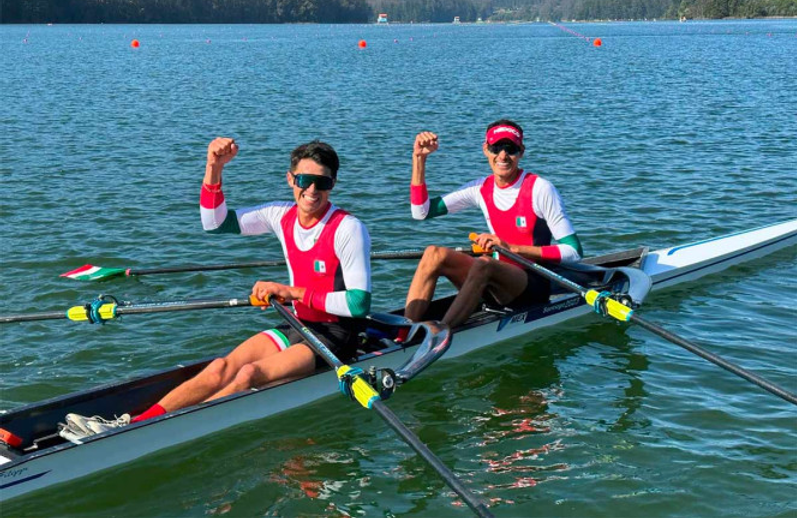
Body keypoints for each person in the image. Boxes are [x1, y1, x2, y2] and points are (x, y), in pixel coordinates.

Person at [60, 137, 372, 440]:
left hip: (336, 336)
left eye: (323, 183)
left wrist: (292, 292)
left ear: (334, 184)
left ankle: (165, 432)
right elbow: (215, 223)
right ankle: (136, 423)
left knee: (249, 374)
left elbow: (358, 304)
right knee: (219, 367)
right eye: (305, 180)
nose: (313, 190)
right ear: (291, 179)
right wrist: (214, 167)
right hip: (297, 323)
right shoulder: (280, 216)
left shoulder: (348, 228)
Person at [405, 119, 583, 328]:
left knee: (484, 263)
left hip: (532, 283)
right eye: (496, 147)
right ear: (485, 150)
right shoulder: (480, 188)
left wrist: (512, 249)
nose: (503, 156)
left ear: (521, 152)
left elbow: (574, 251)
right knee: (434, 253)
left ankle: (441, 335)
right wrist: (419, 159)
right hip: (495, 280)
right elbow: (420, 212)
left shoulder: (541, 189)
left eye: (511, 149)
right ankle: (404, 331)